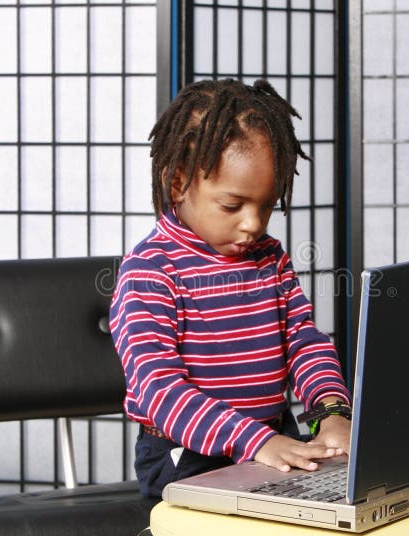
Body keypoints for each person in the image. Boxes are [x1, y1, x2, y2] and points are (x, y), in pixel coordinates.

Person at [109, 78, 352, 498]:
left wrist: (330, 413)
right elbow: (160, 392)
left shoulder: (268, 257)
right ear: (178, 184)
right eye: (232, 205)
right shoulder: (150, 271)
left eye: (267, 205)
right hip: (186, 453)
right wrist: (256, 442)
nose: (253, 224)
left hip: (274, 438)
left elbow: (304, 342)